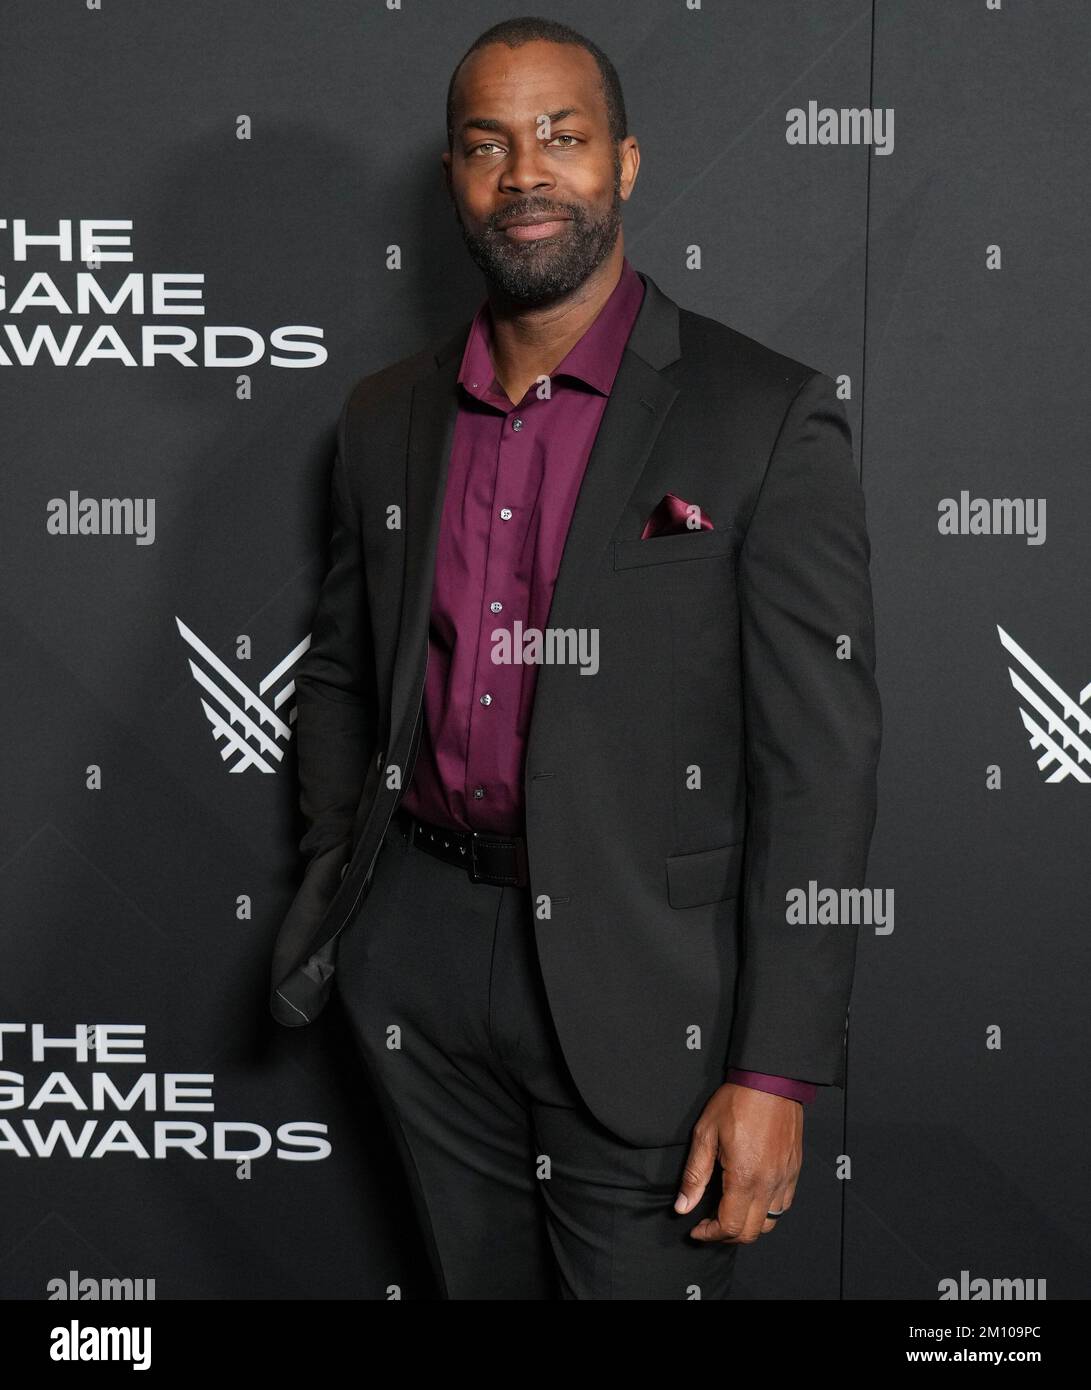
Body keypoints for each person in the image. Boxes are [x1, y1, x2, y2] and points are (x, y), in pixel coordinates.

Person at [269, 15, 882, 1300]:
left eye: (561, 136)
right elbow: (340, 668)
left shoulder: (761, 415)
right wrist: (348, 878)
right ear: (452, 177)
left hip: (642, 984)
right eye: (487, 145)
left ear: (626, 162)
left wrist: (773, 1070)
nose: (525, 174)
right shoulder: (386, 414)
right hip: (419, 957)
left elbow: (816, 765)